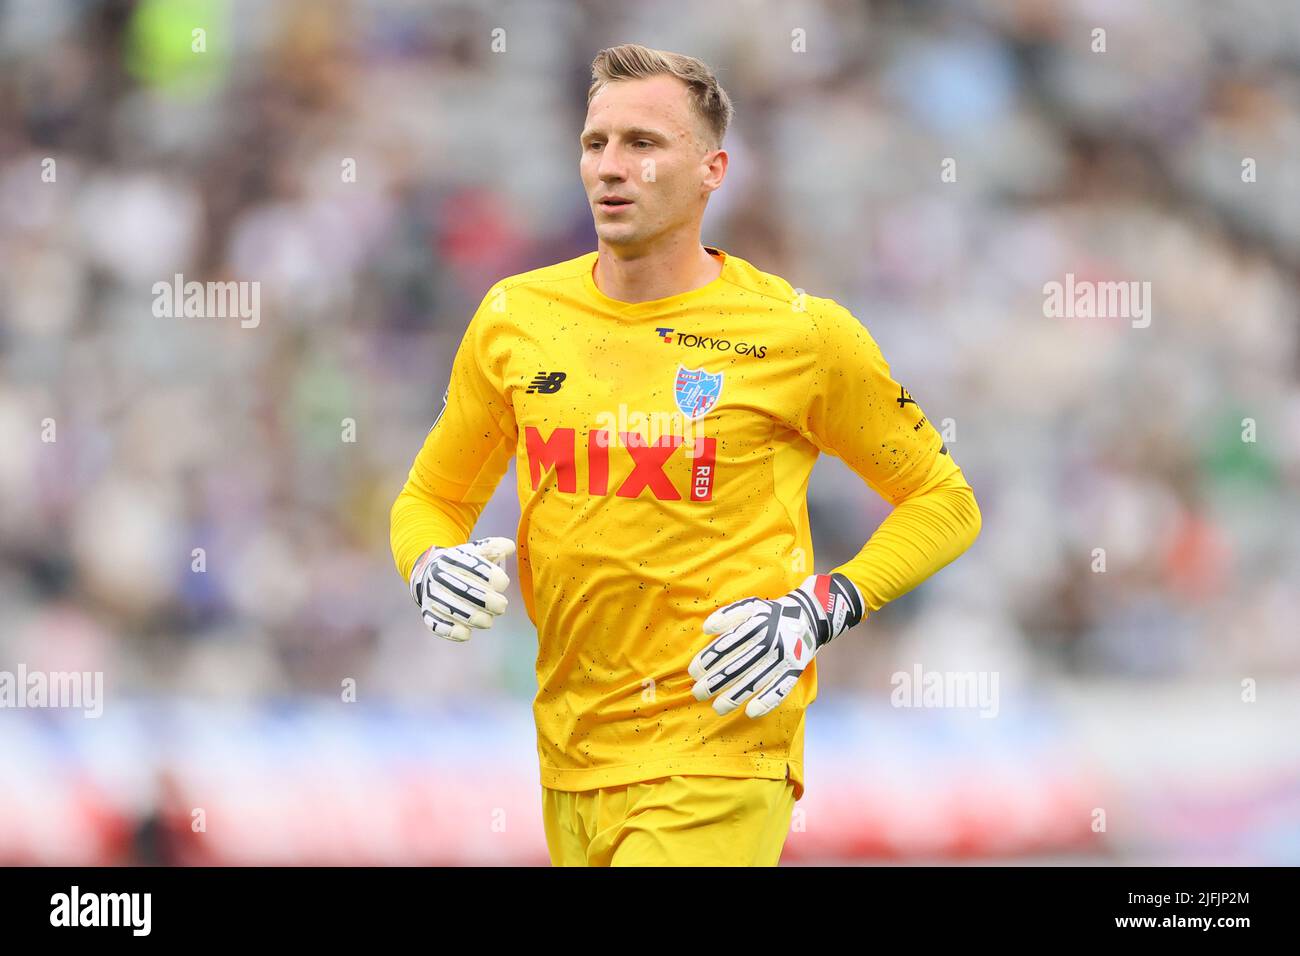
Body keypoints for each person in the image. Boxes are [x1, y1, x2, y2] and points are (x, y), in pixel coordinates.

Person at [390, 43, 981, 866]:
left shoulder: (800, 335)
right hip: (572, 752)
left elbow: (945, 500)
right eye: (596, 144)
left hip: (719, 744)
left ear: (713, 170)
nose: (610, 167)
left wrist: (820, 608)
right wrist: (427, 562)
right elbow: (430, 501)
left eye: (643, 144)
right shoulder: (515, 317)